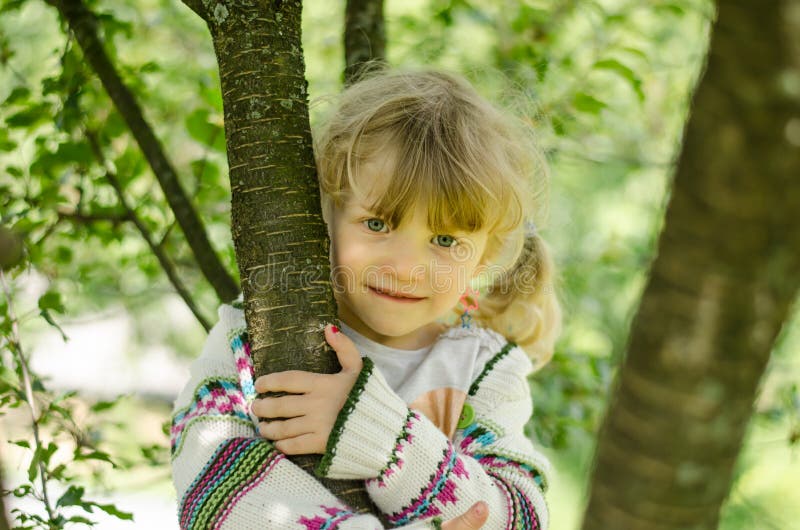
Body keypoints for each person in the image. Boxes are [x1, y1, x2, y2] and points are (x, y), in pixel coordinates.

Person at [170, 68, 562, 529]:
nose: (404, 267)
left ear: (482, 259)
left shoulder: (484, 370)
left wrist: (383, 438)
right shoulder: (257, 333)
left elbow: (519, 515)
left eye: (444, 239)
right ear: (323, 212)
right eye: (377, 224)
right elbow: (213, 486)